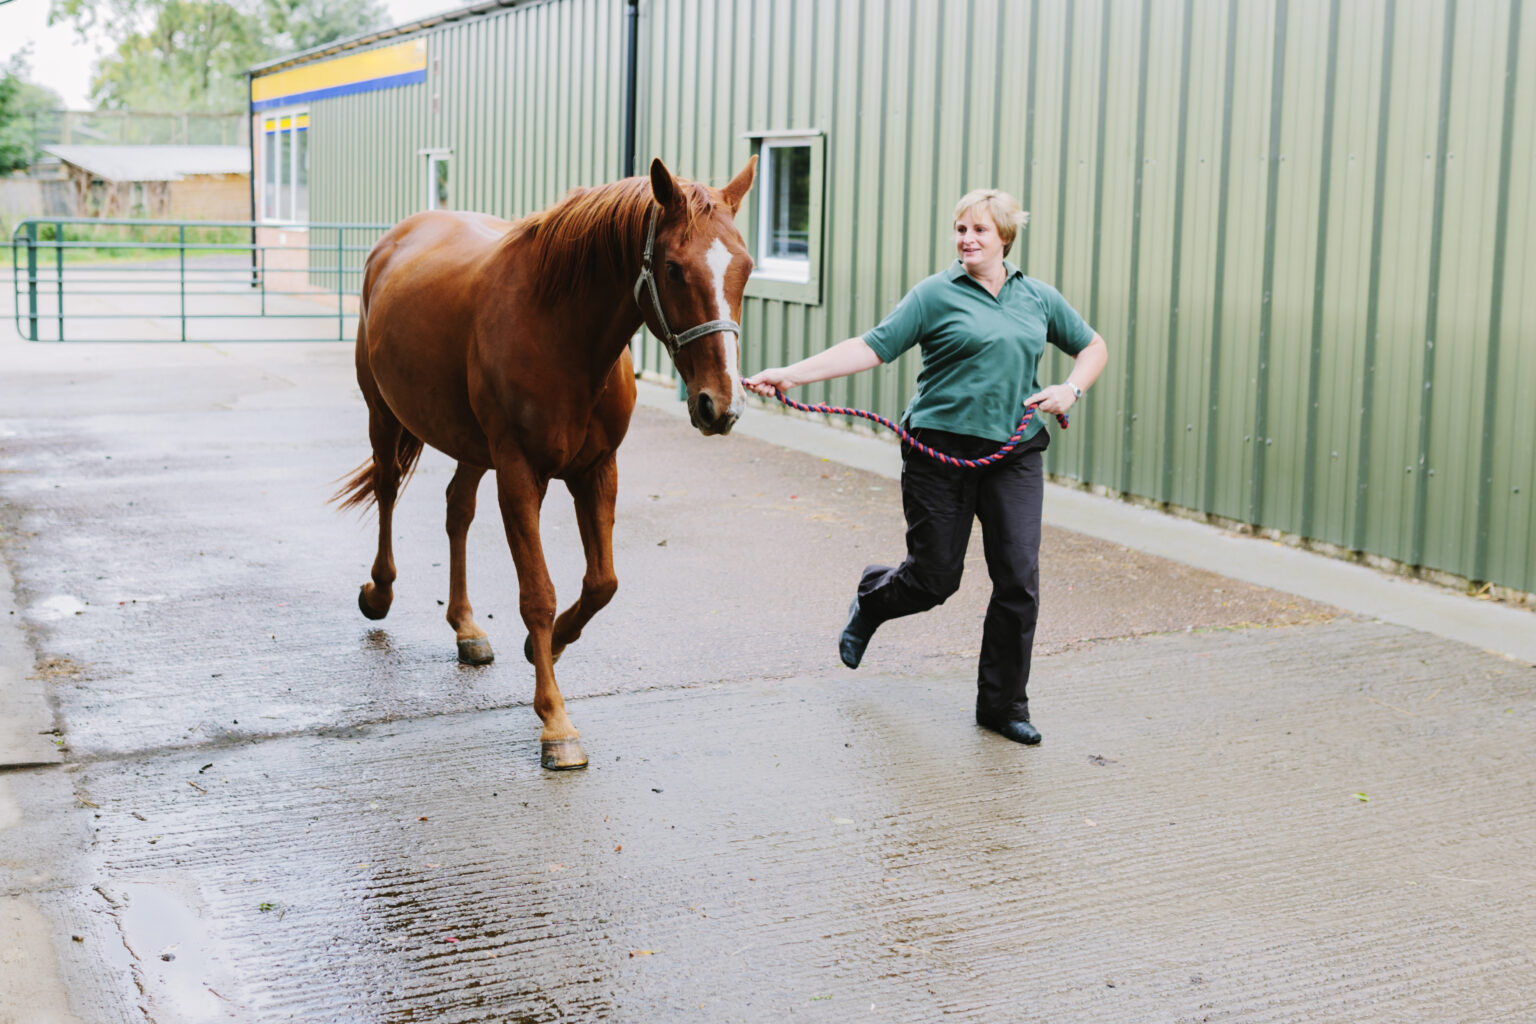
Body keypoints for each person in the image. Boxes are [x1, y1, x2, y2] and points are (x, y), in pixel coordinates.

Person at [744, 189, 1108, 746]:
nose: (967, 239)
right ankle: (873, 600)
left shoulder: (1037, 297)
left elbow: (1093, 347)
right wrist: (791, 374)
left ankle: (1003, 706)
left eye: (979, 230)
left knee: (1018, 579)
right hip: (938, 452)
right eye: (961, 229)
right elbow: (871, 347)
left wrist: (1070, 390)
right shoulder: (935, 294)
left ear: (1005, 237)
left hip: (1012, 454)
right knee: (934, 579)